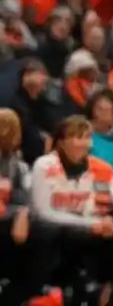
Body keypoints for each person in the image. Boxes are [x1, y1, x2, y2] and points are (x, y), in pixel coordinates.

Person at [27, 116, 113, 306]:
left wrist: (112, 222)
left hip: (88, 226)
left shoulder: (101, 168)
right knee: (50, 232)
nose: (83, 142)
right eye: (76, 137)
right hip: (53, 228)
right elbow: (43, 212)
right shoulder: (44, 165)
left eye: (86, 137)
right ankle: (45, 291)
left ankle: (107, 289)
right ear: (61, 142)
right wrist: (91, 223)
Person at [0, 108, 37, 306]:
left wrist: (22, 214)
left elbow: (22, 198)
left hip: (7, 220)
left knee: (38, 231)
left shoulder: (15, 163)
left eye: (11, 129)